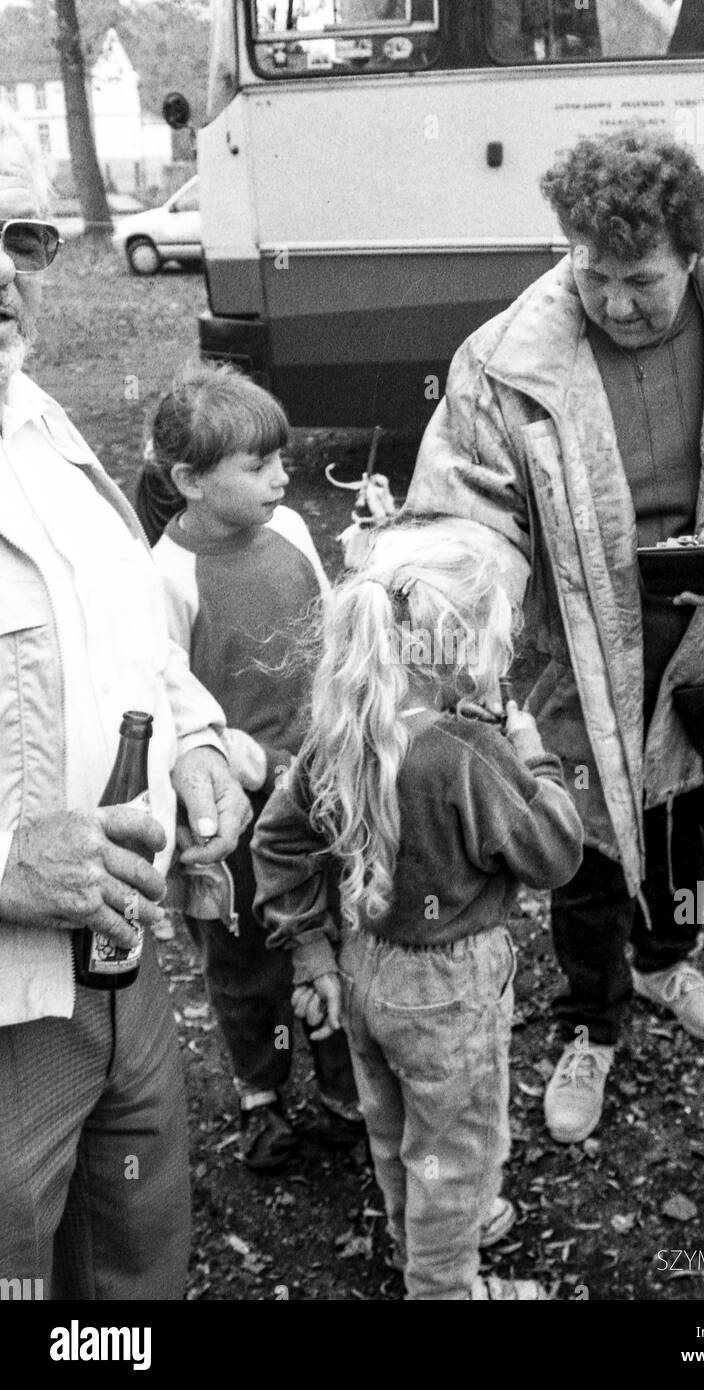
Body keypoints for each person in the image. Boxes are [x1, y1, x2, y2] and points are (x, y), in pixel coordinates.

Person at [404, 126, 704, 1145]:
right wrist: (457, 590)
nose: (615, 302)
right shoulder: (501, 362)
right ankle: (588, 1020)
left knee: (688, 820)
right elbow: (455, 517)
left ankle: (664, 963)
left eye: (641, 281)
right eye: (595, 275)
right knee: (585, 849)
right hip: (573, 653)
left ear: (693, 252)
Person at [0, 108, 250, 1299]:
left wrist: (196, 740)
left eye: (20, 236)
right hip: (5, 1020)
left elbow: (135, 636)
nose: (3, 270)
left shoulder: (38, 426)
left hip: (118, 971)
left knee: (131, 1272)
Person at [252, 519, 584, 1299]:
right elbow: (556, 855)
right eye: (499, 637)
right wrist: (531, 749)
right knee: (457, 1147)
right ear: (461, 649)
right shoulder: (473, 755)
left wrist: (310, 950)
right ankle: (444, 1284)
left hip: (367, 967)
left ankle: (423, 1234)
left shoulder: (341, 734)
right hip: (449, 992)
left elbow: (276, 842)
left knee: (398, 1126)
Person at [149, 363, 362, 1168]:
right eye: (259, 466)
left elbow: (327, 630)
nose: (283, 478)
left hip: (321, 791)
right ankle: (263, 1096)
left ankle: (345, 1093)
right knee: (245, 962)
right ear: (190, 480)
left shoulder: (294, 532)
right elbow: (164, 700)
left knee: (332, 936)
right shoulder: (163, 578)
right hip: (236, 820)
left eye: (282, 459)